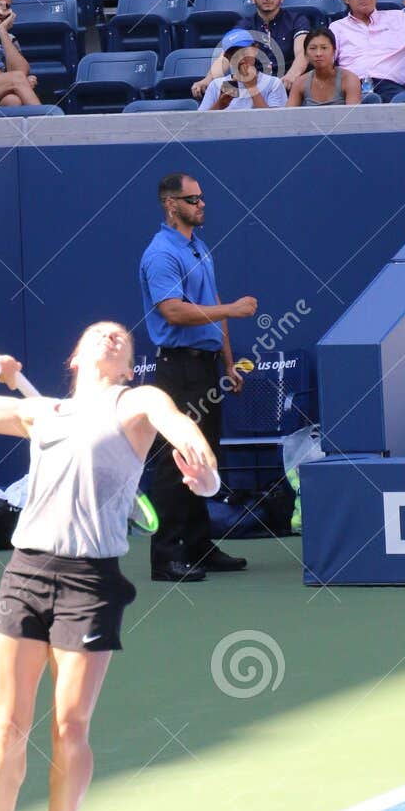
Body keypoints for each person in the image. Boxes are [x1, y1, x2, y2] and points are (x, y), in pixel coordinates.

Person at [0, 322, 217, 811]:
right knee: (9, 724)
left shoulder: (136, 402)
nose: (113, 338)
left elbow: (178, 424)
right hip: (26, 572)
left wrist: (206, 473)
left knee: (70, 724)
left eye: (123, 338)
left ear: (128, 364)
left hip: (92, 582)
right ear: (76, 354)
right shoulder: (41, 411)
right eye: (101, 334)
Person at [139, 172, 257, 582]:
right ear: (171, 204)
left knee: (204, 458)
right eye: (193, 200)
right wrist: (233, 311)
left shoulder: (199, 247)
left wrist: (227, 363)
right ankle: (166, 556)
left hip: (205, 368)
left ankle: (199, 547)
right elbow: (173, 311)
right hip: (178, 370)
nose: (202, 205)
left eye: (203, 198)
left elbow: (212, 305)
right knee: (177, 461)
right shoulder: (160, 255)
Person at [190, 0, 310, 99]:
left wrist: (292, 75)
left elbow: (302, 52)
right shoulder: (245, 25)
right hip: (255, 91)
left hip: (289, 88)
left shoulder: (297, 20)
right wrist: (207, 80)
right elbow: (226, 56)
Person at [197, 34, 288, 112]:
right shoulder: (216, 85)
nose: (240, 58)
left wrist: (252, 87)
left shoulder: (273, 84)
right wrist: (220, 105)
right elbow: (199, 124)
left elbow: (275, 124)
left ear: (255, 49)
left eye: (244, 51)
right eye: (233, 54)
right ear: (228, 58)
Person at [287, 26, 362, 106]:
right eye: (313, 48)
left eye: (324, 48)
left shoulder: (349, 79)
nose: (318, 53)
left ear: (334, 51)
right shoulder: (300, 82)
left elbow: (352, 116)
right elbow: (288, 116)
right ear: (306, 54)